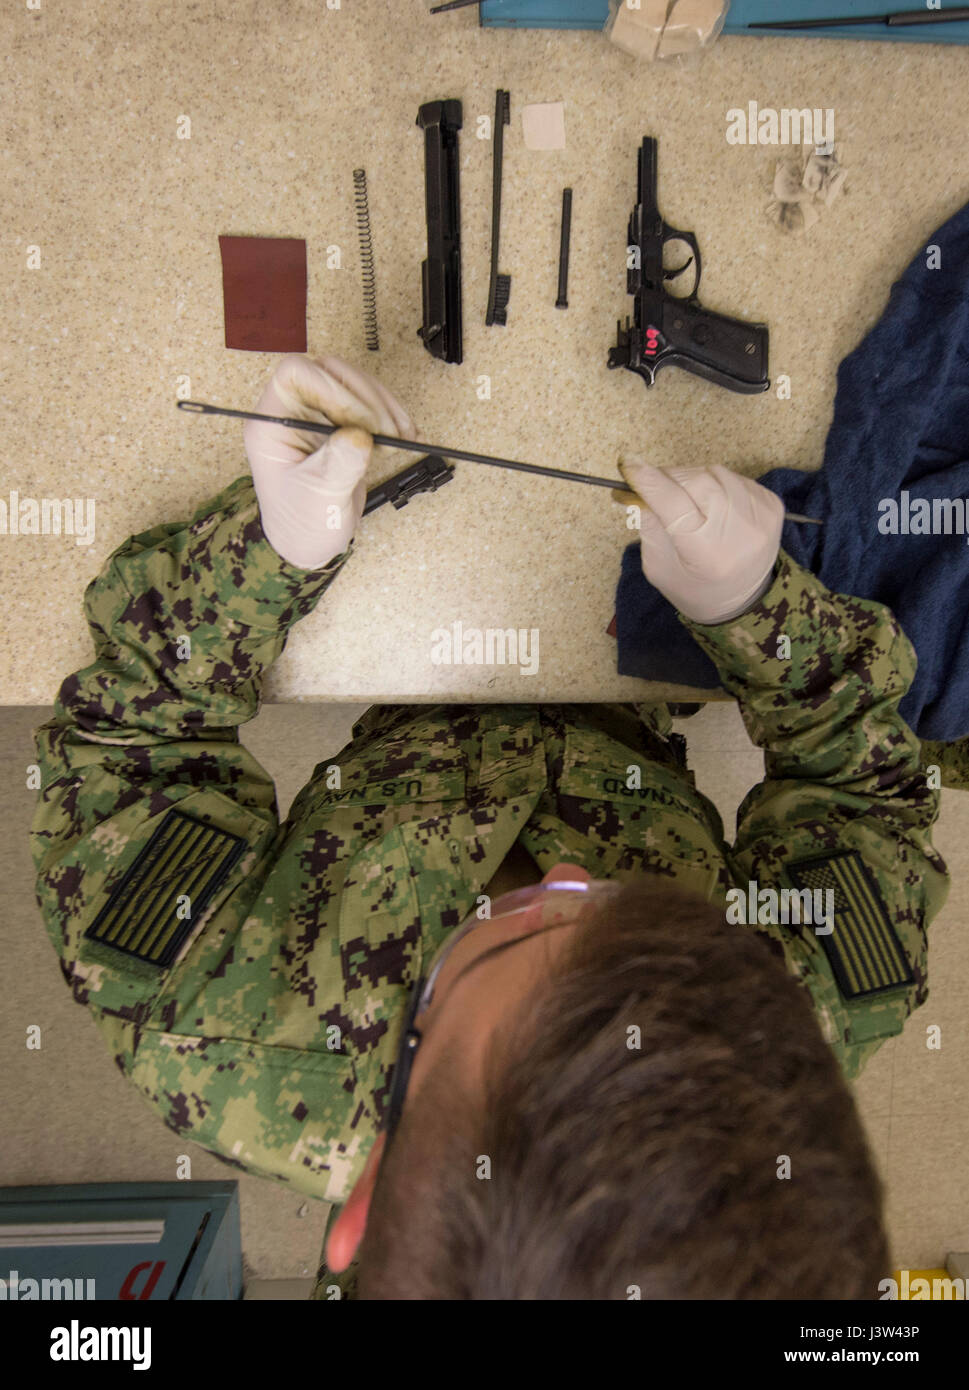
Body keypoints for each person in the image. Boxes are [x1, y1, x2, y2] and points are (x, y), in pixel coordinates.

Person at [30, 354, 948, 1300]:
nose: (564, 877)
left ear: (360, 1214)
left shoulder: (205, 1022)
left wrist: (267, 552)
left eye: (504, 941)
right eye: (653, 927)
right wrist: (760, 616)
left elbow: (131, 740)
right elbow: (864, 797)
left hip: (392, 667)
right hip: (629, 693)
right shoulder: (779, 1045)